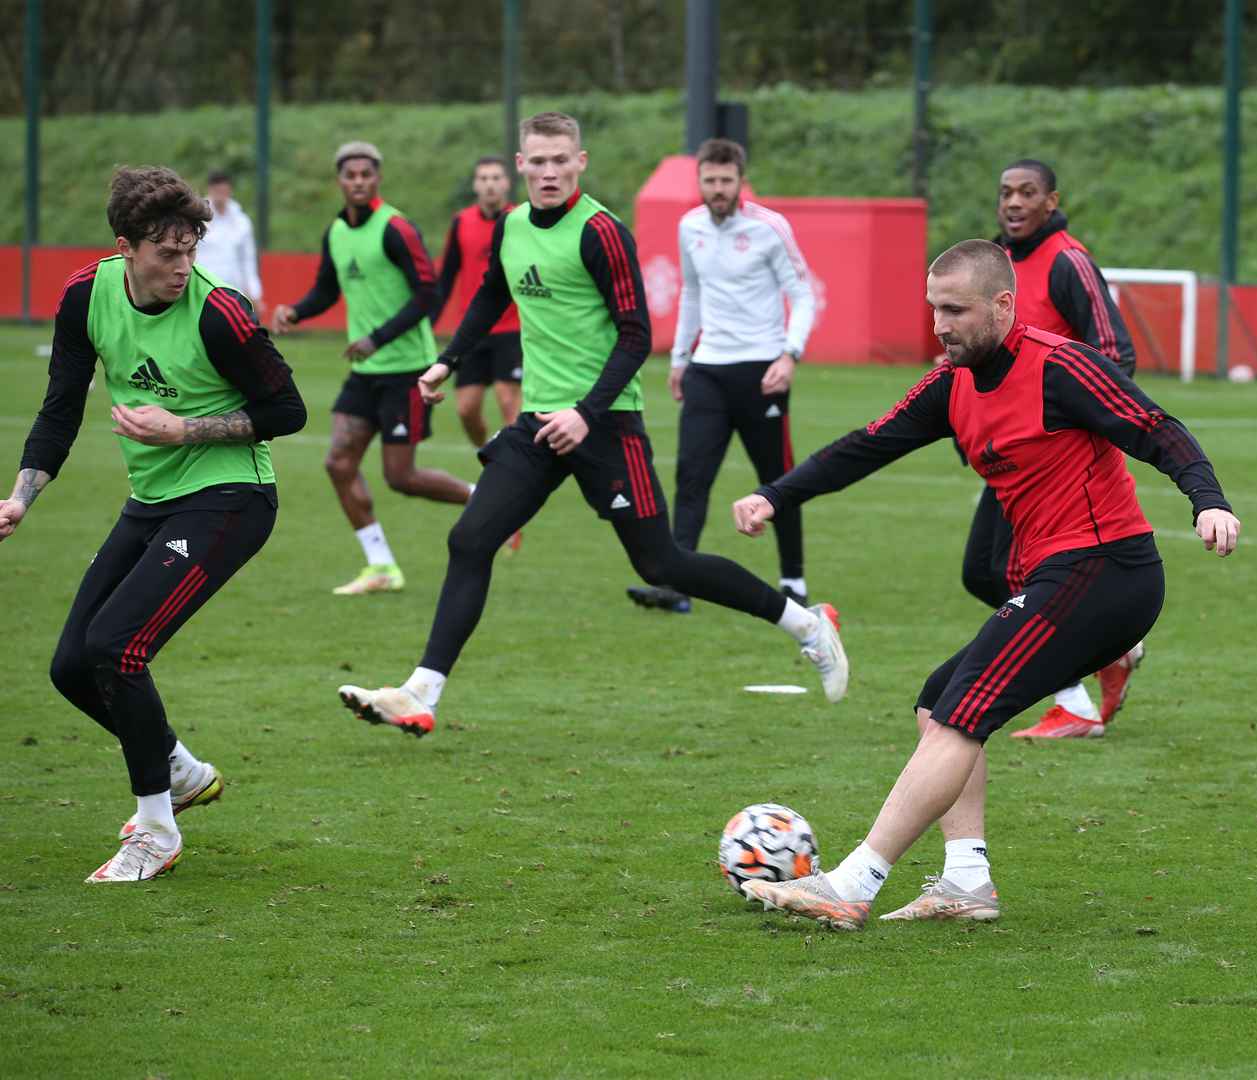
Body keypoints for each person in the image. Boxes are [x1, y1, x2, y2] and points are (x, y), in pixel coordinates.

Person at [731, 239, 1239, 929]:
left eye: (956, 310)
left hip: (1105, 569)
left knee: (959, 714)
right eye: (933, 309)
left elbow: (1156, 427)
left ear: (1003, 305)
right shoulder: (951, 385)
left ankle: (852, 883)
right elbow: (865, 445)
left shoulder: (1059, 366)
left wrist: (1208, 500)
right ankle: (966, 881)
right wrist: (774, 495)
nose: (939, 326)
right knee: (939, 700)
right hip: (1065, 576)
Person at [336, 112, 848, 737]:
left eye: (561, 160)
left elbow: (637, 336)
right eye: (538, 161)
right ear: (521, 165)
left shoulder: (601, 232)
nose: (549, 172)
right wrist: (448, 361)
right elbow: (492, 295)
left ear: (580, 162)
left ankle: (805, 624)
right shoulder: (511, 226)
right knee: (469, 540)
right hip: (537, 423)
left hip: (606, 423)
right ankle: (422, 692)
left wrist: (586, 413)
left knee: (661, 565)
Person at [1, 166, 306, 882]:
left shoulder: (220, 313)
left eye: (191, 249)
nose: (182, 266)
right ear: (126, 246)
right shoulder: (87, 295)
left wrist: (185, 429)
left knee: (116, 647)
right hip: (153, 500)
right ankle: (179, 769)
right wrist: (20, 497)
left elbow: (287, 411)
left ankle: (157, 830)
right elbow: (59, 408)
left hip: (231, 498)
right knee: (72, 667)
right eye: (167, 252)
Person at [978, 159, 1146, 739]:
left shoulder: (1068, 261)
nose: (1013, 202)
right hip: (1009, 455)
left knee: (1013, 573)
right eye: (1006, 192)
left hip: (1053, 460)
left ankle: (1073, 704)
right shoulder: (996, 263)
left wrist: (1068, 422)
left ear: (1051, 202)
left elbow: (1114, 353)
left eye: (1027, 192)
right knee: (984, 572)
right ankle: (1109, 652)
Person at [271, 140, 473, 595]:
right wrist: (297, 312)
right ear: (339, 181)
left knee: (401, 477)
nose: (358, 182)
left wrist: (376, 338)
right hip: (365, 372)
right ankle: (381, 566)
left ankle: (483, 499)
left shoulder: (396, 229)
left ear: (378, 178)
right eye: (350, 175)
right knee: (339, 463)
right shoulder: (336, 233)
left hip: (407, 370)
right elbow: (327, 290)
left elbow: (428, 294)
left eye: (366, 174)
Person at [628, 137, 816, 614]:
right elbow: (691, 293)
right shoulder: (689, 226)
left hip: (762, 372)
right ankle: (676, 584)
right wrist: (679, 358)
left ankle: (793, 579)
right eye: (709, 180)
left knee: (779, 479)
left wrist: (789, 356)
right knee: (691, 477)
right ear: (699, 182)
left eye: (725, 181)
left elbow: (803, 295)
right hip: (707, 371)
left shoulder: (770, 227)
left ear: (740, 182)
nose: (717, 189)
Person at [435, 155, 524, 451]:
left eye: (496, 178)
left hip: (512, 328)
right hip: (473, 330)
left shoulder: (520, 220)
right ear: (475, 184)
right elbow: (447, 278)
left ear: (507, 183)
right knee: (466, 409)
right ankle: (487, 453)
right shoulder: (461, 222)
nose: (490, 185)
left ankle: (513, 463)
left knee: (508, 401)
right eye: (484, 178)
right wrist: (430, 320)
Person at [197, 170, 262, 310]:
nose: (220, 194)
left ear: (229, 190)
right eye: (217, 190)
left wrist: (255, 293)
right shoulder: (198, 217)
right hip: (203, 290)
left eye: (223, 190)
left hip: (233, 292)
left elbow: (247, 260)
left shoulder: (241, 221)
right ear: (210, 189)